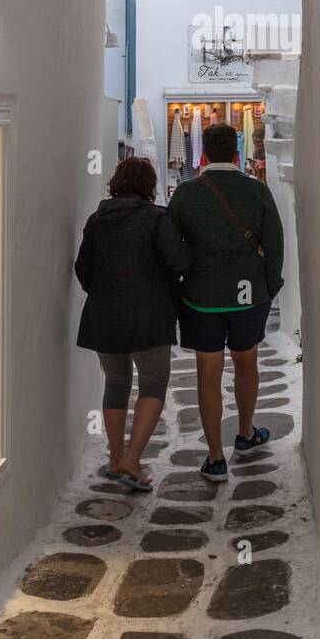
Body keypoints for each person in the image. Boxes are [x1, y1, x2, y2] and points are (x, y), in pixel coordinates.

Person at [167, 123, 284, 482]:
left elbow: (173, 248)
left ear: (203, 152)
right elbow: (275, 242)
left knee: (208, 373)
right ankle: (246, 433)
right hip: (249, 295)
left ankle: (215, 456)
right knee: (246, 363)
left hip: (202, 297)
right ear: (236, 153)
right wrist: (270, 285)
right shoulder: (257, 190)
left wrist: (183, 284)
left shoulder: (186, 194)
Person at [74, 157, 190, 491]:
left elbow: (83, 269)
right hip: (149, 313)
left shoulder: (97, 220)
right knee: (153, 383)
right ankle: (132, 459)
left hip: (104, 314)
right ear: (148, 186)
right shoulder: (156, 218)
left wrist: (106, 292)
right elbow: (178, 260)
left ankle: (114, 458)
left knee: (116, 382)